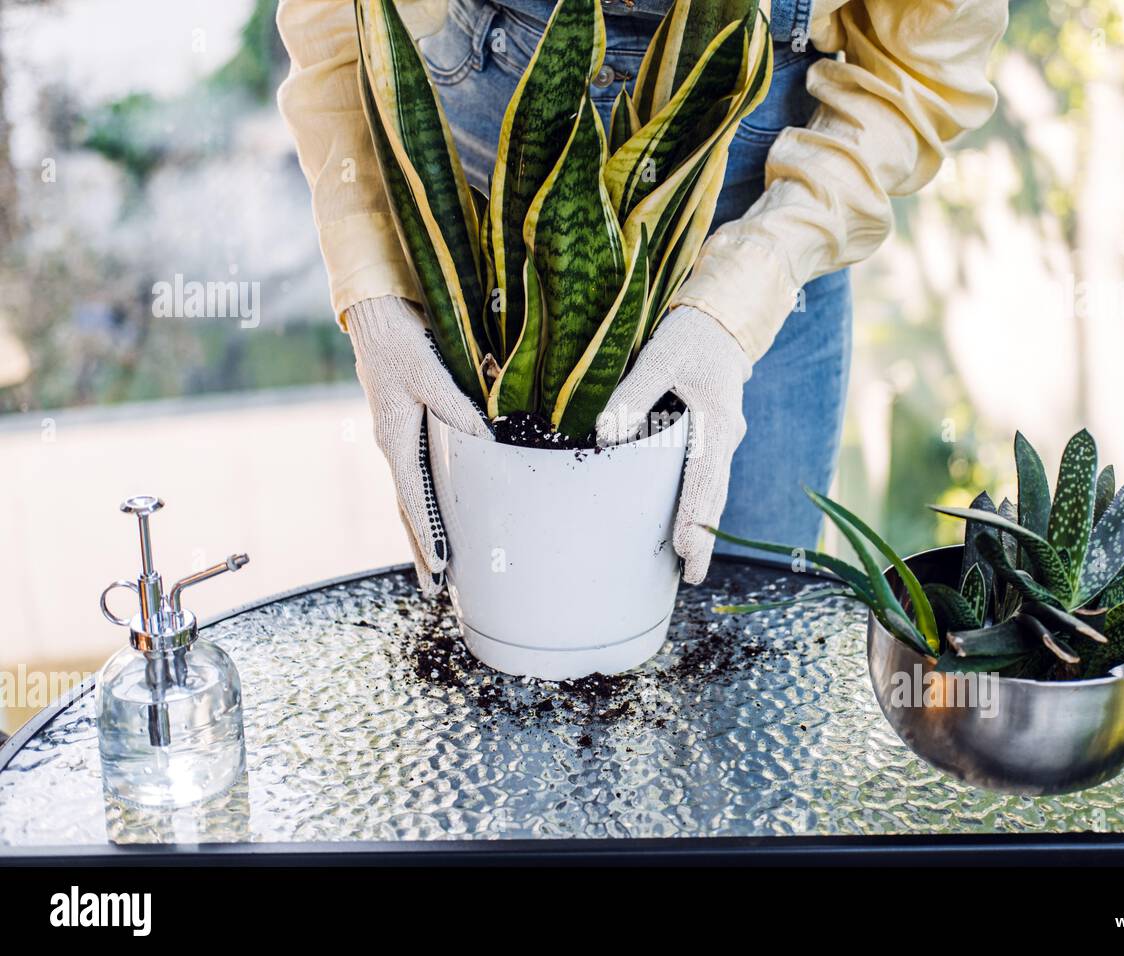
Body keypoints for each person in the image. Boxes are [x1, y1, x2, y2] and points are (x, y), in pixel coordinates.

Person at [276, 0, 1007, 591]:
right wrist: (376, 287)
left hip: (767, 218)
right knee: (510, 668)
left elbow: (923, 66)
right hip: (478, 255)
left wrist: (744, 296)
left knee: (748, 654)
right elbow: (342, 18)